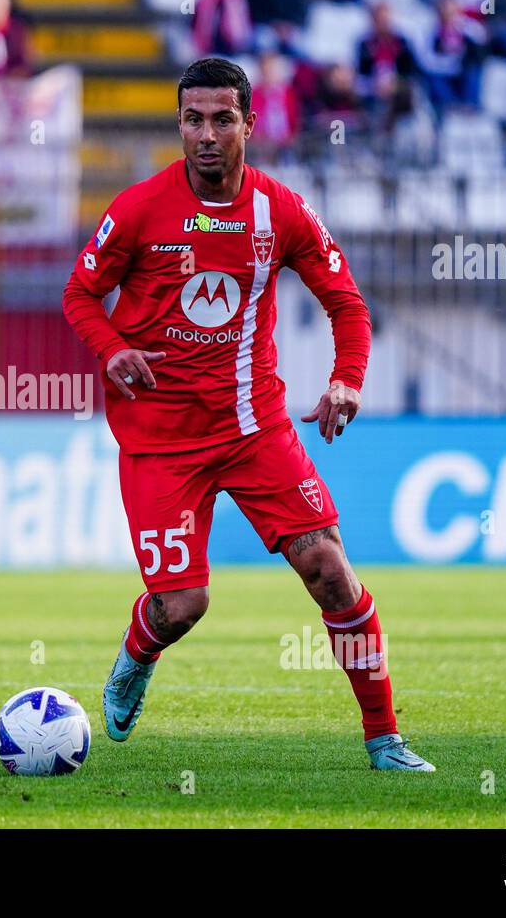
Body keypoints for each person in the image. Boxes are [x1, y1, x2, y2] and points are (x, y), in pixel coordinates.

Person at [62, 57, 435, 772]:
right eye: (193, 119)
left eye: (221, 119)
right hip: (160, 440)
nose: (206, 134)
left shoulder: (282, 212)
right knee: (183, 606)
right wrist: (110, 349)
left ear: (248, 124)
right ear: (179, 125)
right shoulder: (139, 209)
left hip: (252, 427)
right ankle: (139, 649)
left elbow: (347, 304)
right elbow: (79, 294)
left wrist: (347, 380)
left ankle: (385, 738)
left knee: (329, 567)